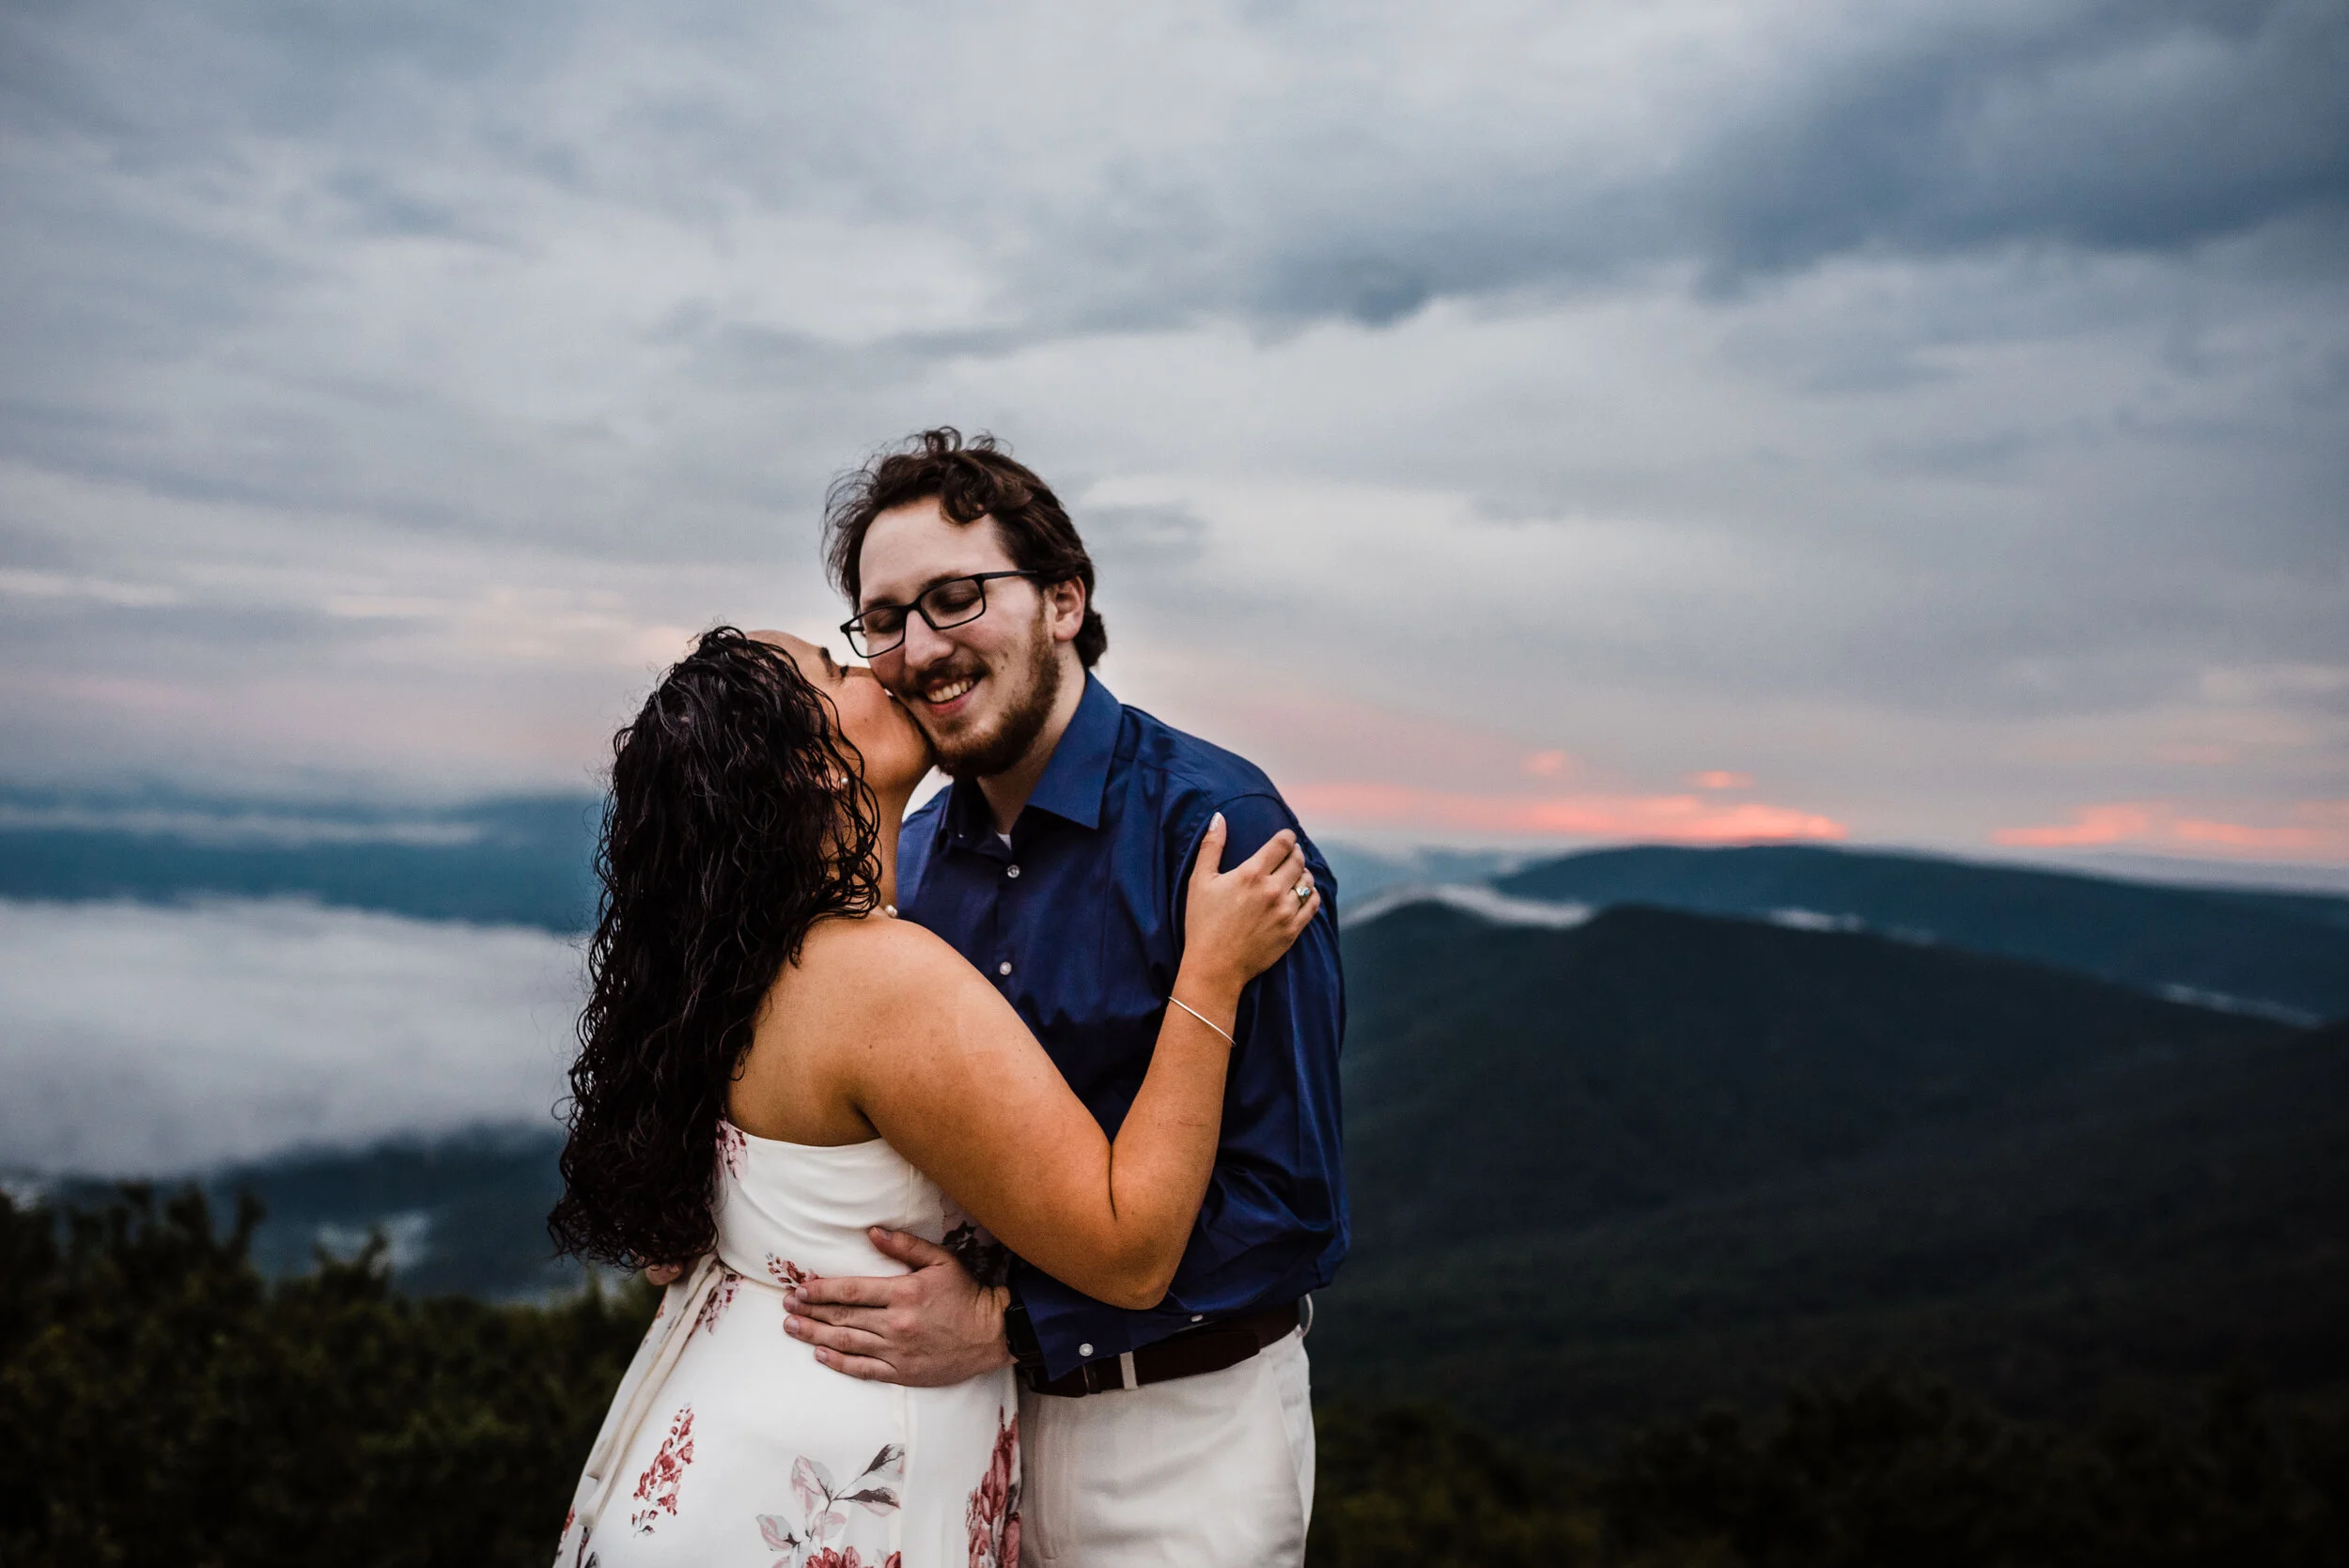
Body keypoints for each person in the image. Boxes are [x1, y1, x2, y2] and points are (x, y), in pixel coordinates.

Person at [547, 626, 1322, 1568]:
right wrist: (1210, 971)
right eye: (837, 671)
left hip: (721, 1451)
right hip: (827, 1484)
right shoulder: (880, 980)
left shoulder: (729, 968)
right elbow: (1129, 1249)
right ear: (811, 771)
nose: (879, 667)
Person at [785, 429, 1347, 1565]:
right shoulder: (920, 854)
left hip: (1177, 1440)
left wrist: (1003, 1325)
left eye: (954, 597)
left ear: (1061, 600)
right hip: (952, 1432)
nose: (918, 649)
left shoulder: (1216, 832)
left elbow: (1288, 1205)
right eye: (884, 620)